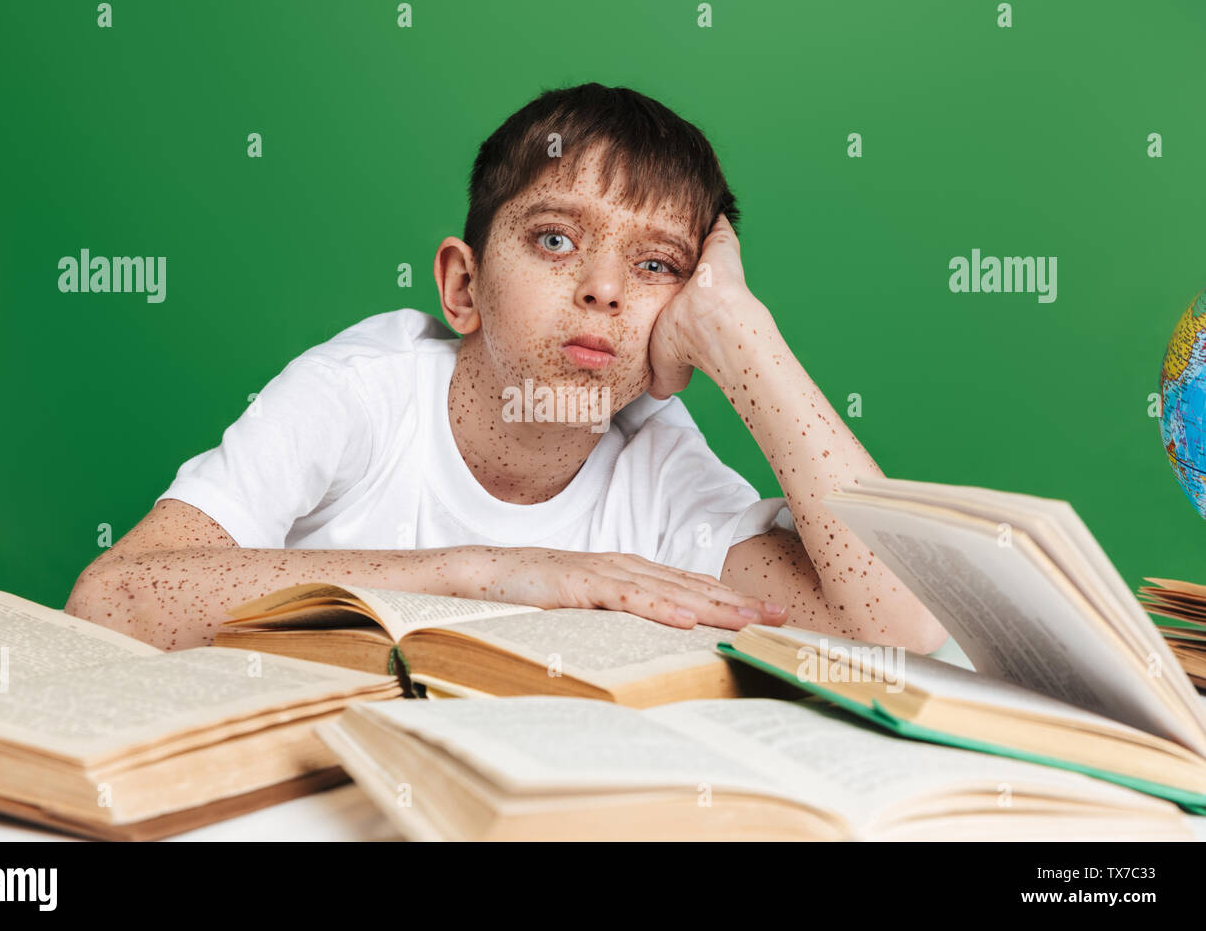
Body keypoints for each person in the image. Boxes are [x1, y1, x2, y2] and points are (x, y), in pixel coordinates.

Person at [65, 82, 948, 655]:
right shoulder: (362, 393)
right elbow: (111, 600)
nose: (602, 288)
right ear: (464, 284)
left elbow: (901, 631)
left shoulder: (657, 462)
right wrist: (487, 572)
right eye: (556, 240)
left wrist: (744, 337)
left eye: (655, 268)